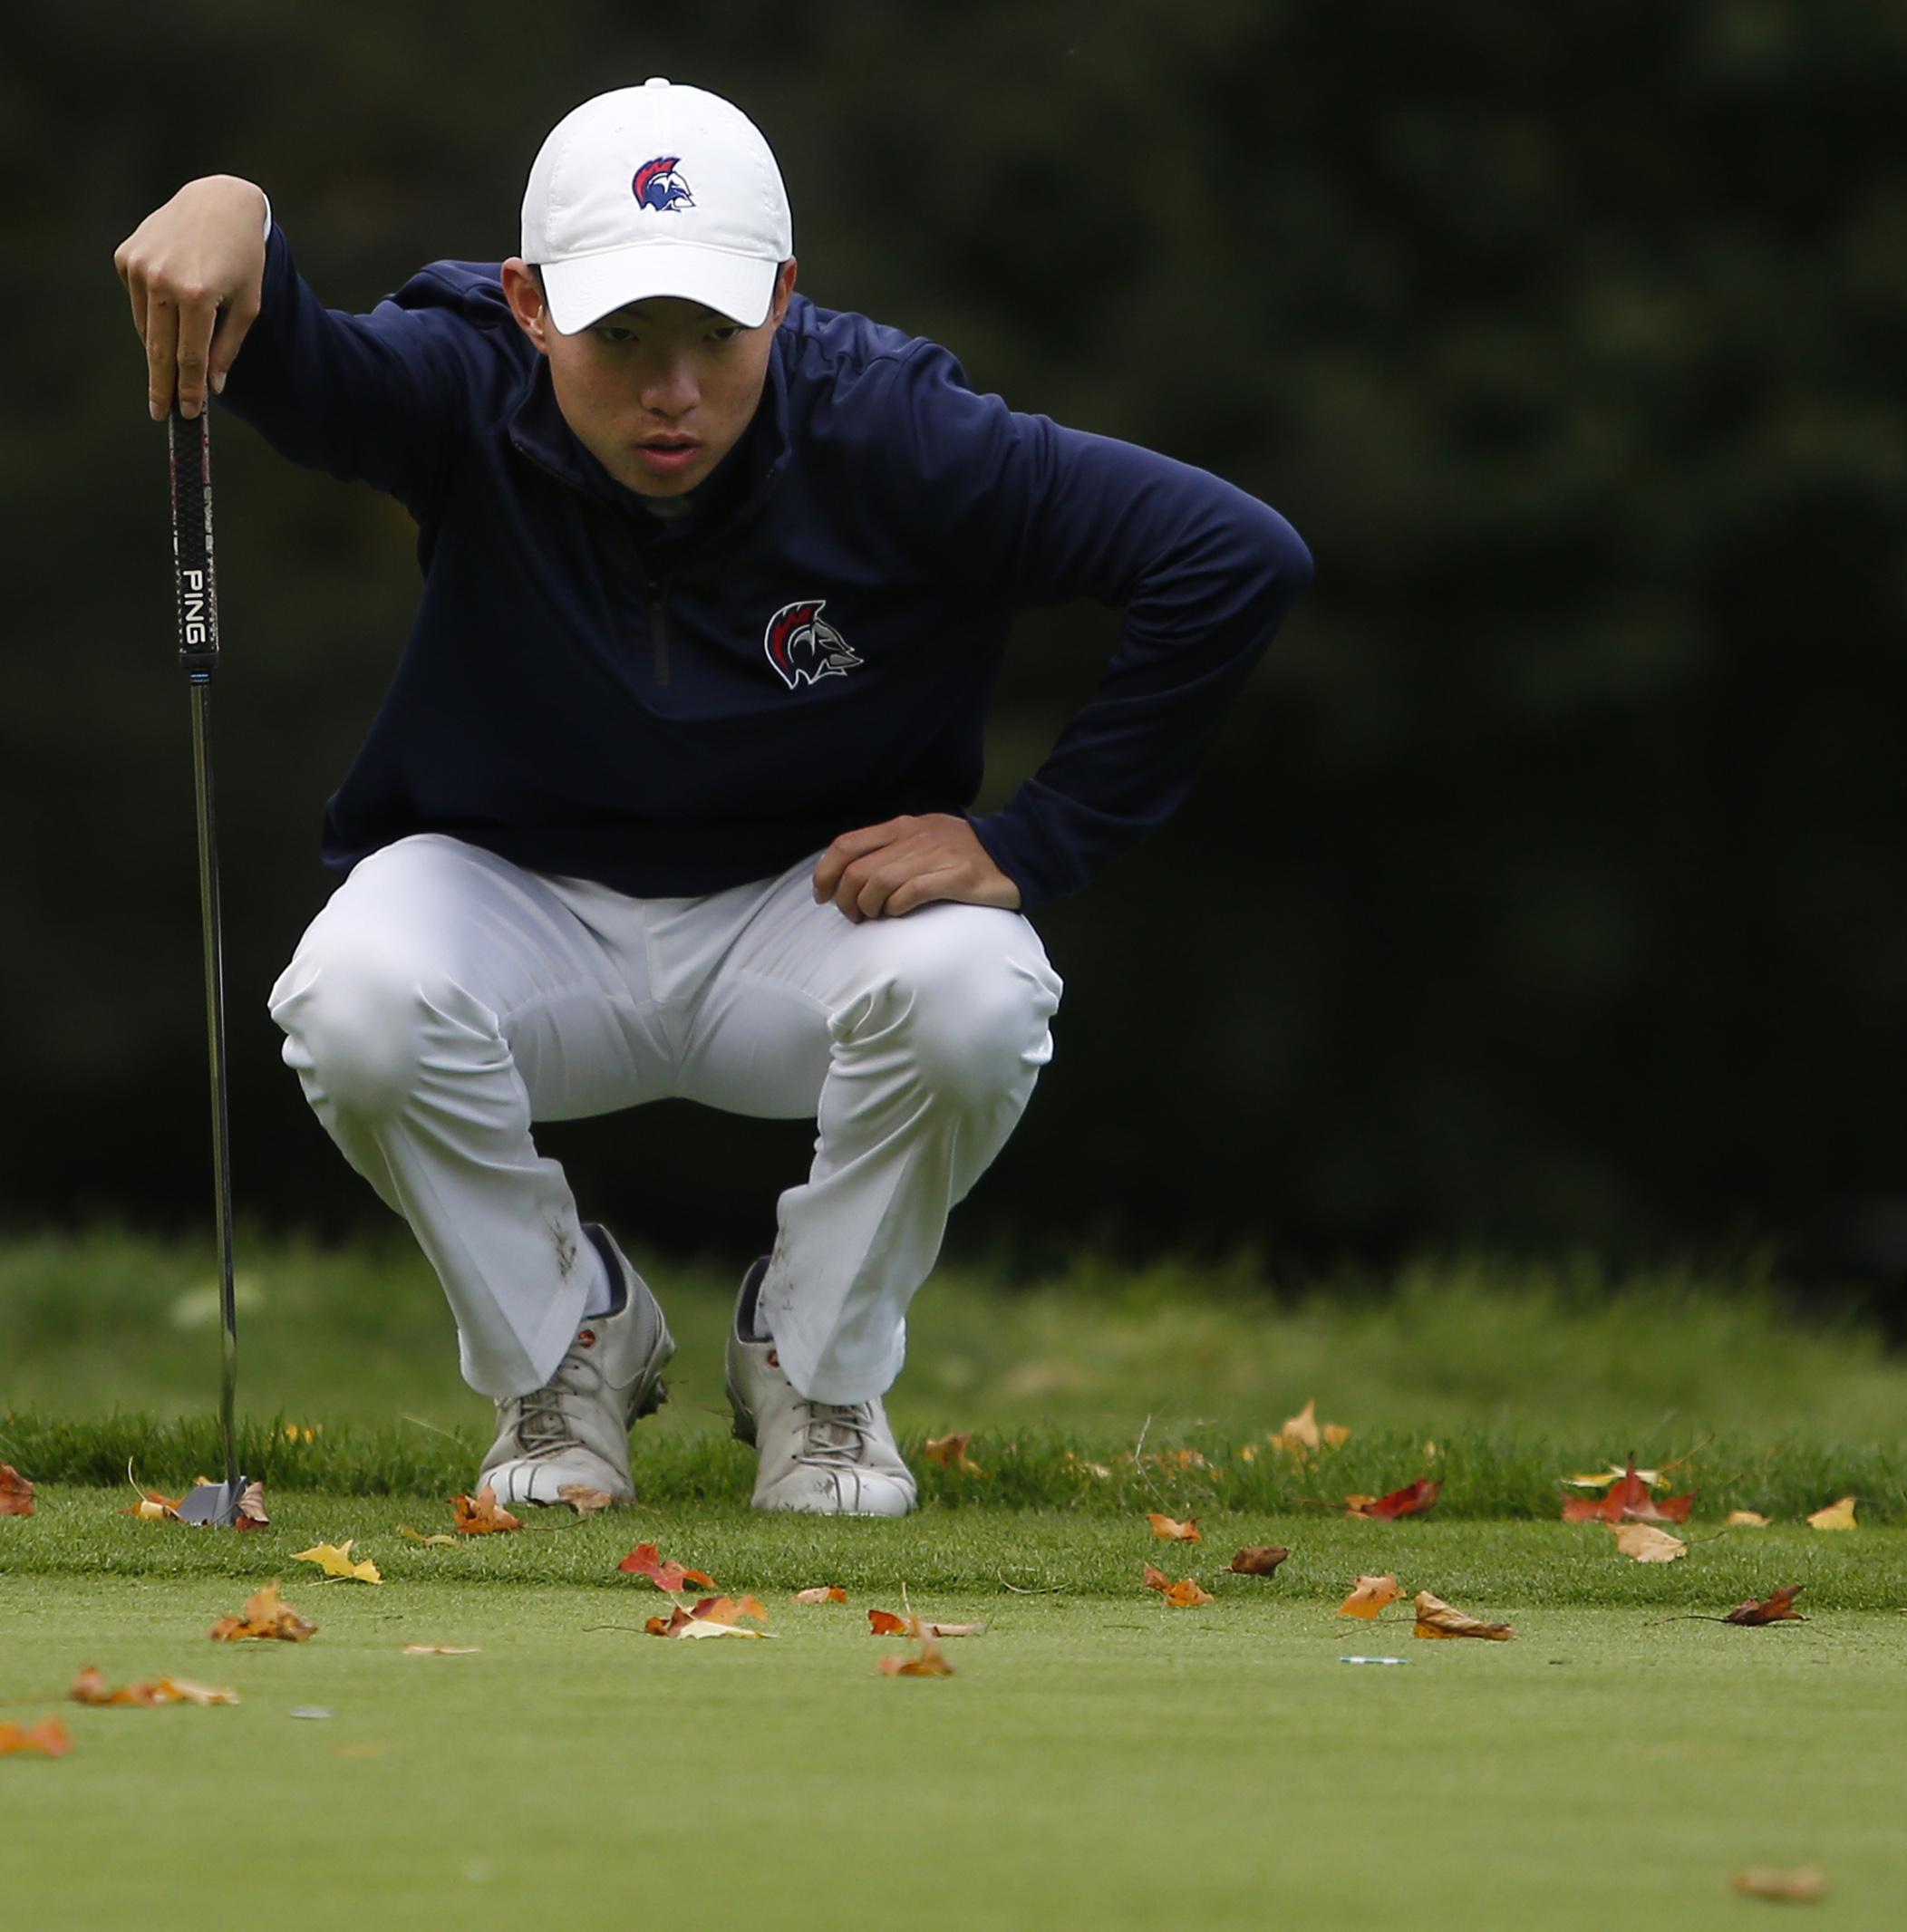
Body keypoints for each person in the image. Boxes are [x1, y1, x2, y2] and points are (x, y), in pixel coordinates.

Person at [111, 80, 1310, 1516]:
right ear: (530, 305)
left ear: (785, 301)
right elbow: (291, 356)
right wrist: (235, 208)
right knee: (351, 997)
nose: (672, 390)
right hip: (515, 901)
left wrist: (1033, 841)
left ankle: (816, 1368)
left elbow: (1230, 556)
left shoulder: (897, 428)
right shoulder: (461, 387)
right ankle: (567, 1346)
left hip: (810, 910)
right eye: (622, 336)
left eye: (716, 336)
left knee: (981, 992)